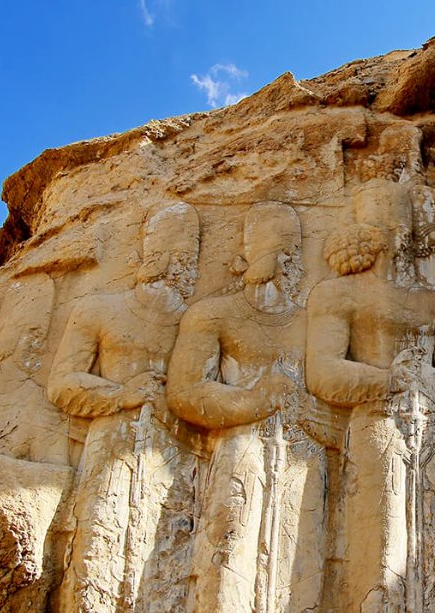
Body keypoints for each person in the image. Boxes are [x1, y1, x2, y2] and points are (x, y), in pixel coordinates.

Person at [305, 179, 435, 612]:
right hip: (377, 422)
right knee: (382, 551)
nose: (400, 234)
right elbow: (322, 371)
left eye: (403, 224)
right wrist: (387, 379)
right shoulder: (336, 294)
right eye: (390, 223)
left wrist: (431, 384)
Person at [166, 202, 325, 613]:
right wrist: (253, 401)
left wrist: (309, 412)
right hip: (241, 447)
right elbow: (185, 390)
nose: (287, 259)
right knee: (229, 548)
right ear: (247, 252)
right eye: (276, 248)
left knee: (302, 557)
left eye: (293, 250)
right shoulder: (213, 313)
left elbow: (330, 396)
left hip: (304, 452)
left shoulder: (312, 320)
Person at [47, 201, 200, 612]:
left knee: (167, 565)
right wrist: (120, 395)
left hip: (181, 455)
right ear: (146, 251)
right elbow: (62, 383)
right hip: (112, 442)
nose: (178, 259)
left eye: (189, 248)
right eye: (168, 247)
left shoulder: (196, 320)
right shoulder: (99, 308)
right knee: (102, 550)